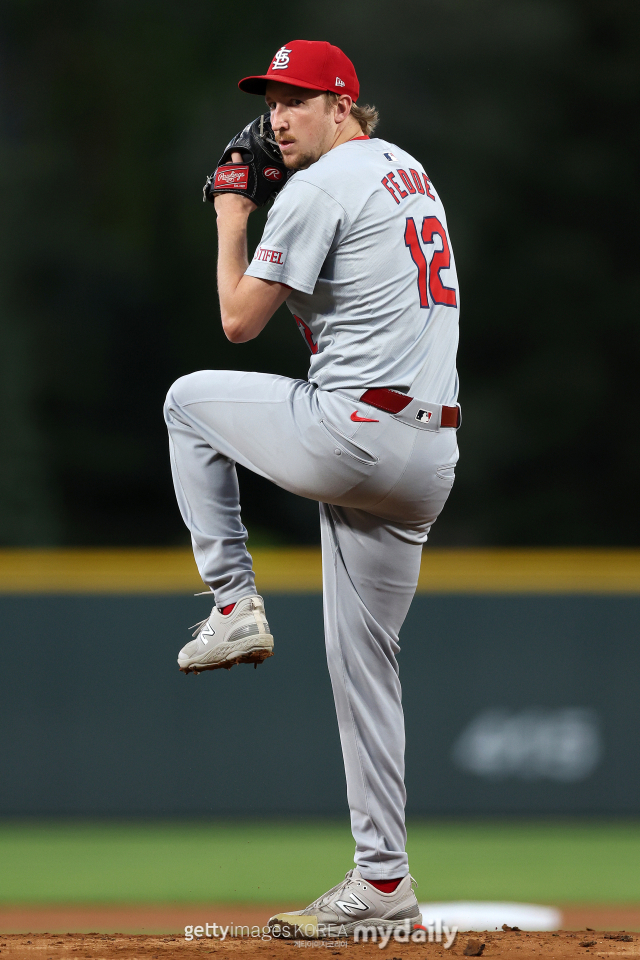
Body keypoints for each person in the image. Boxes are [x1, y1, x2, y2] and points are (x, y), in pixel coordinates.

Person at [164, 39, 460, 939]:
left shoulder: (320, 187)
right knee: (365, 666)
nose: (279, 117)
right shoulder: (409, 172)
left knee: (187, 403)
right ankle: (384, 882)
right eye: (272, 101)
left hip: (355, 436)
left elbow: (237, 320)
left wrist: (231, 211)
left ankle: (231, 601)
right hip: (429, 457)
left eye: (298, 99)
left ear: (343, 107)